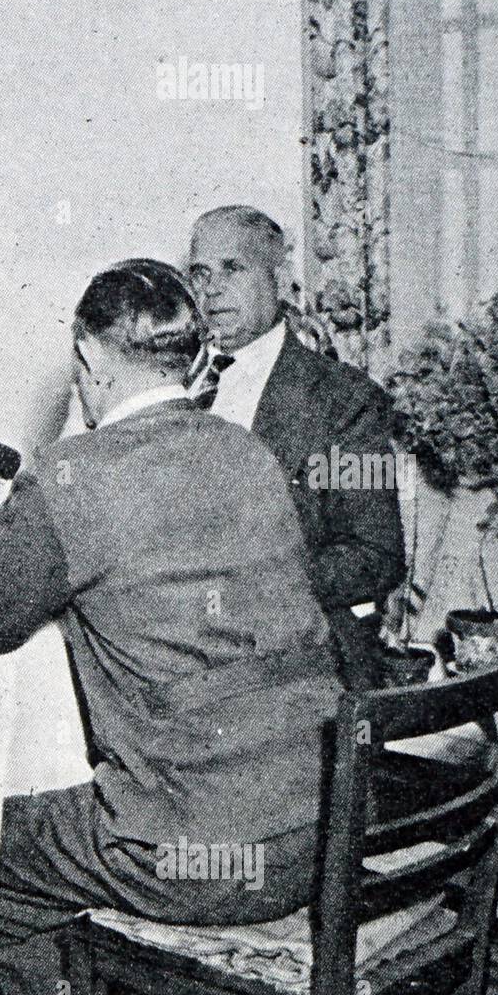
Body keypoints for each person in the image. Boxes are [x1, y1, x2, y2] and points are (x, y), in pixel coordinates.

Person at [0, 260, 343, 995]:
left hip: (195, 853)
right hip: (322, 830)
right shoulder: (245, 453)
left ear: (87, 354)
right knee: (104, 803)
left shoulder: (77, 472)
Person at [185, 206, 404, 689]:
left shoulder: (345, 402)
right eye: (200, 272)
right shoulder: (173, 385)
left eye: (233, 268)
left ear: (280, 280)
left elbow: (375, 555)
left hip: (297, 656)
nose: (211, 288)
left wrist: (240, 590)